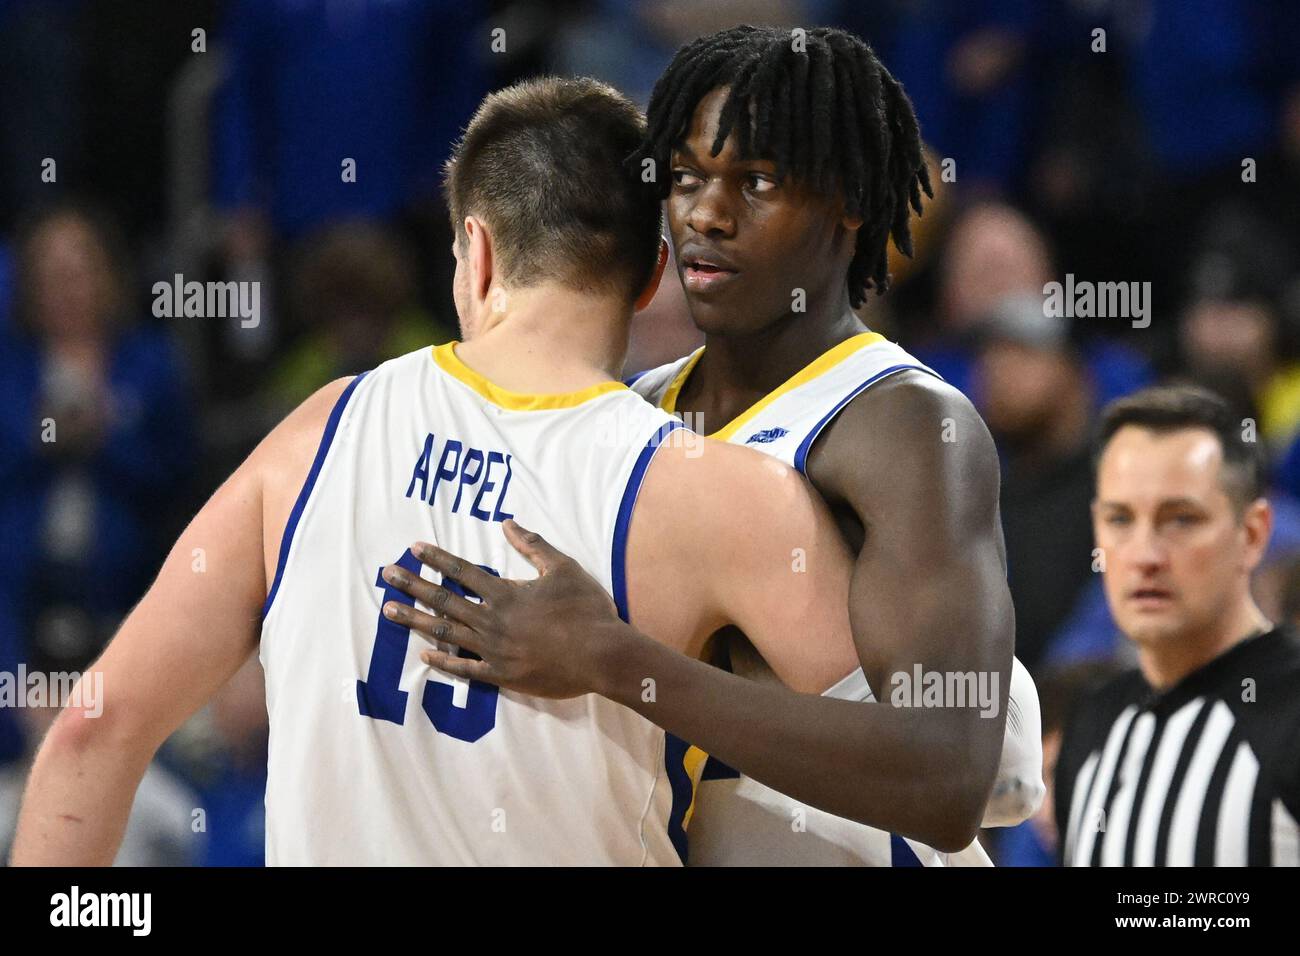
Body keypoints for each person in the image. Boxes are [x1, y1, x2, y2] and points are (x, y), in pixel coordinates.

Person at [12, 76, 930, 867]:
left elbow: (96, 728)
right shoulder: (718, 494)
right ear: (655, 274)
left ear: (477, 254)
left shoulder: (318, 430)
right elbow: (925, 780)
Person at [388, 25, 1042, 866]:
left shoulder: (904, 426)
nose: (707, 213)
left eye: (756, 181)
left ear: (846, 198)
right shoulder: (636, 409)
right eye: (688, 177)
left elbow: (948, 782)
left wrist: (617, 660)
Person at [1056, 385, 1300, 866]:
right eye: (1120, 519)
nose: (1145, 555)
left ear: (1251, 534)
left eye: (1181, 519)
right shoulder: (1091, 726)